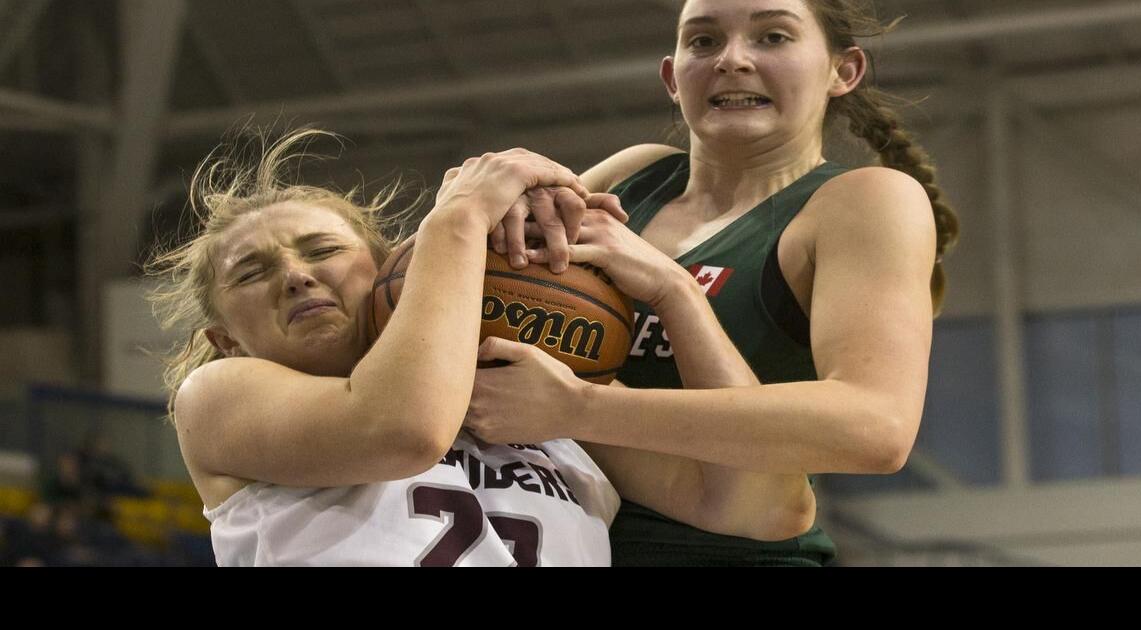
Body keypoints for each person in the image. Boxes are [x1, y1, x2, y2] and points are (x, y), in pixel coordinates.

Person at [147, 128, 815, 566]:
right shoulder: (217, 396)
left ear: (384, 269)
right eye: (253, 272)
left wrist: (675, 295)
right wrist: (461, 215)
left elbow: (767, 504)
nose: (295, 275)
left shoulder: (541, 387)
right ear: (223, 338)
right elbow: (404, 431)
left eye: (323, 251)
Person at [464, 0, 960, 566]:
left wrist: (580, 407)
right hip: (565, 542)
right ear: (672, 77)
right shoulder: (633, 175)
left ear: (842, 71)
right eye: (703, 41)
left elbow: (876, 427)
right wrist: (480, 205)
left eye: (773, 37)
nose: (732, 59)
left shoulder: (865, 201)